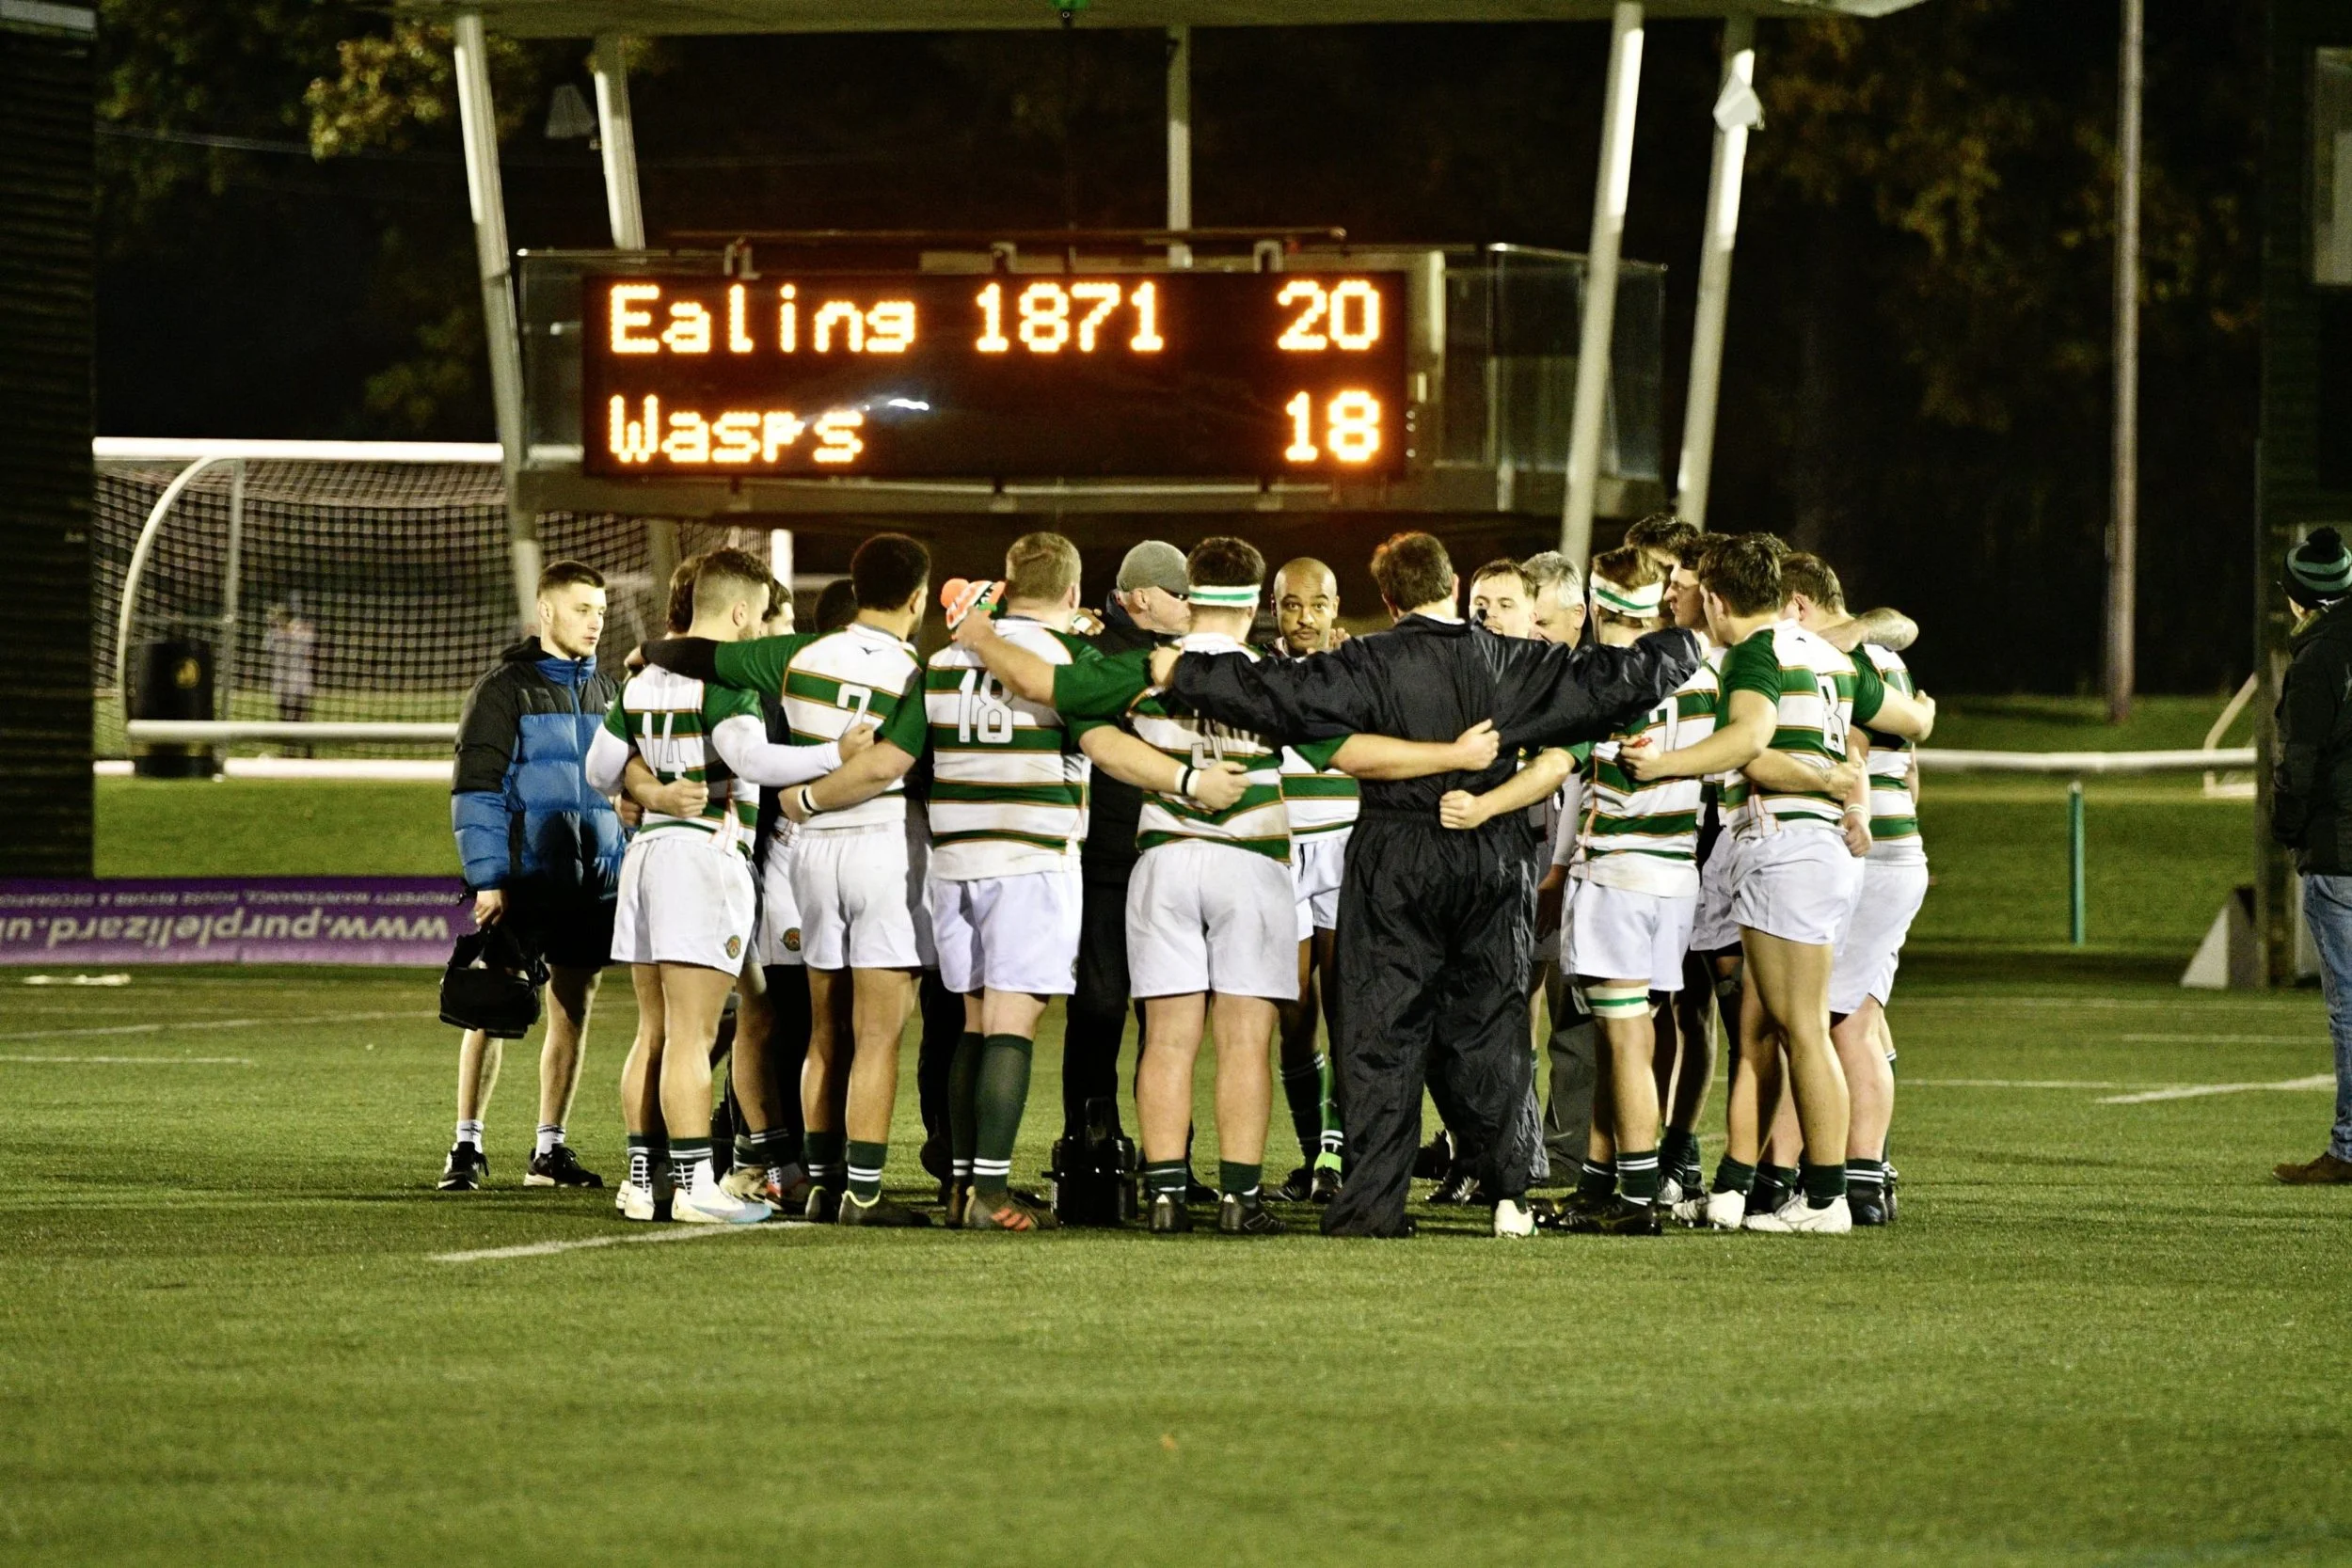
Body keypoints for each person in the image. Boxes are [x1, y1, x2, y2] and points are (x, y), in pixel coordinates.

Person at [1154, 531, 1701, 1238]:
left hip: (1395, 848)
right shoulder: (1515, 659)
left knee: (1381, 1027)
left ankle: (1374, 1201)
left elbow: (1274, 694)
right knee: (1493, 1023)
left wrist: (1181, 673)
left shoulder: (1365, 660)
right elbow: (1619, 680)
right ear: (1454, 585)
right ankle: (1509, 1190)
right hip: (1492, 852)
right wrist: (1685, 635)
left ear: (1387, 600)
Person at [962, 535, 1496, 1237]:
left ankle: (1164, 1193)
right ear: (1254, 607)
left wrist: (975, 632)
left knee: (1169, 1039)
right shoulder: (1279, 681)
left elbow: (1064, 708)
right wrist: (1451, 755)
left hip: (1165, 859)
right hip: (1250, 860)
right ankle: (1241, 1197)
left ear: (1192, 598)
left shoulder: (1143, 670)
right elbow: (1353, 755)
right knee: (1246, 1040)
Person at [929, 533, 1267, 1230]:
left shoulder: (940, 659)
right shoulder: (1070, 657)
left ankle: (961, 1182)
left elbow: (899, 755)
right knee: (1014, 1021)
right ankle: (989, 1195)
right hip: (1032, 855)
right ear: (1076, 592)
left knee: (972, 1018)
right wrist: (1186, 777)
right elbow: (1101, 739)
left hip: (953, 857)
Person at [1626, 533, 1932, 1235]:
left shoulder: (1754, 655)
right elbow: (1891, 726)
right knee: (1777, 1025)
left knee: (1799, 1026)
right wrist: (1850, 782)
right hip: (1822, 852)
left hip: (1786, 847)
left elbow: (1750, 747)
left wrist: (1667, 764)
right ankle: (1760, 1186)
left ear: (1714, 598)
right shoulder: (1827, 656)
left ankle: (1823, 1195)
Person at [643, 534, 934, 1226]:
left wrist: (648, 657)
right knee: (879, 1032)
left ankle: (824, 1182)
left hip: (808, 856)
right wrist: (817, 793)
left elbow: (698, 654)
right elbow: (895, 764)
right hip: (881, 844)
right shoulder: (919, 669)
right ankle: (862, 1190)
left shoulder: (797, 653)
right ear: (919, 599)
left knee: (826, 1028)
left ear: (855, 587)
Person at [587, 548, 865, 1223]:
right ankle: (693, 1185)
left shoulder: (642, 679)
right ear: (741, 611)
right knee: (693, 1031)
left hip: (647, 855)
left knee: (658, 1029)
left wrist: (648, 787)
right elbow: (749, 757)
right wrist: (837, 753)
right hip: (705, 854)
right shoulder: (725, 680)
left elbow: (599, 767)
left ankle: (640, 1179)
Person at [1547, 547, 1721, 1236]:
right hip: (1674, 872)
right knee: (1624, 1031)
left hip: (1620, 869)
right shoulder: (1702, 674)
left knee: (1624, 1040)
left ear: (1596, 607)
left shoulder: (1607, 680)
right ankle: (1598, 1179)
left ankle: (1639, 1194)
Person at [440, 561, 626, 1193]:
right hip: (524, 880)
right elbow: (476, 787)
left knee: (574, 1008)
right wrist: (488, 876)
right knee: (493, 1007)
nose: (595, 621)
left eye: (600, 610)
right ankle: (465, 1145)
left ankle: (549, 1149)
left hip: (590, 885)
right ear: (546, 612)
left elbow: (625, 787)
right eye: (582, 608)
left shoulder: (606, 690)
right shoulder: (503, 690)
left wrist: (620, 855)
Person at [1785, 551, 1928, 1225]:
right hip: (1896, 851)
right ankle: (1866, 1174)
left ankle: (1854, 1176)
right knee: (1856, 1017)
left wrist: (1857, 814)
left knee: (1841, 1024)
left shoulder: (1847, 658)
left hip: (1871, 852)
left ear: (1801, 605)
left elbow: (1858, 748)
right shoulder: (1881, 654)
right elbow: (1914, 755)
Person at [1058, 542, 1196, 1185]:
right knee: (1102, 1004)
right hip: (1111, 858)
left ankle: (1169, 1154)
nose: (1190, 606)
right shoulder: (1095, 654)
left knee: (1167, 1011)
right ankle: (1091, 1141)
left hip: (1164, 853)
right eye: (1179, 594)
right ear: (1140, 595)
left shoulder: (1185, 659)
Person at [2271, 527, 2352, 1185]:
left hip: (2340, 851)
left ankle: (2350, 1147)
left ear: (2299, 600)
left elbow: (2299, 764)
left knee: (2350, 1006)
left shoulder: (2318, 659)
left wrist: (2287, 826)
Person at [1269, 556, 1351, 1202]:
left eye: (1315, 604)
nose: (1304, 617)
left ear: (1335, 607)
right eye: (1291, 604)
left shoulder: (1360, 671)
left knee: (1350, 1006)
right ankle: (1314, 1154)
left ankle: (1337, 1153)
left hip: (1347, 848)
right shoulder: (1255, 675)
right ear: (1275, 609)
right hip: (1281, 850)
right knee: (1293, 1010)